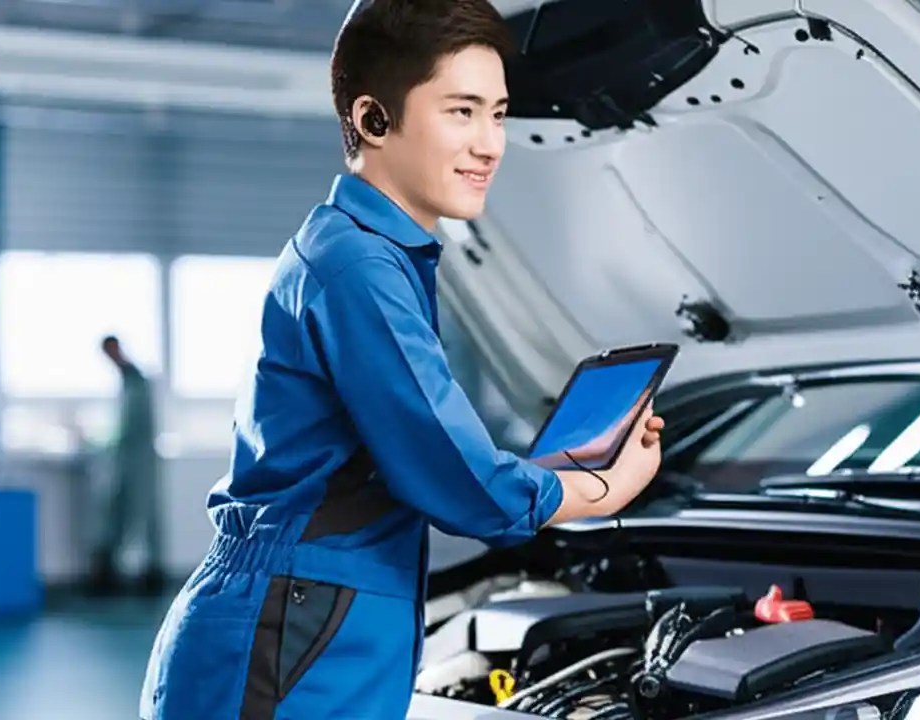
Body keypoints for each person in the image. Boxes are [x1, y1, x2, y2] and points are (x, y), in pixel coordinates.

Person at [138, 1, 666, 718]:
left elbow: (423, 458)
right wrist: (607, 489)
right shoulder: (358, 267)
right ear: (373, 120)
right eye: (462, 111)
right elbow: (461, 481)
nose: (490, 144)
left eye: (500, 114)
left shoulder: (376, 256)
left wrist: (555, 473)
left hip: (307, 623)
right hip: (288, 637)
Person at [90, 335, 165, 596]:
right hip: (124, 460)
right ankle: (108, 574)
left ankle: (151, 576)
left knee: (143, 516)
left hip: (139, 460)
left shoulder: (137, 382)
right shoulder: (126, 381)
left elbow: (132, 427)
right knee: (116, 516)